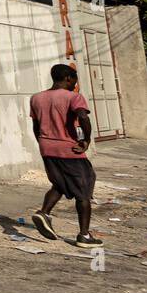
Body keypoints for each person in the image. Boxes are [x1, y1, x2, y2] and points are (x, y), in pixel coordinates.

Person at [29, 63, 101, 247]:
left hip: (47, 147)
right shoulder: (74, 97)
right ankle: (84, 235)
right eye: (74, 79)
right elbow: (83, 117)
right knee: (83, 188)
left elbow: (36, 126)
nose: (75, 83)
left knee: (61, 183)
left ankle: (44, 212)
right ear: (68, 78)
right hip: (69, 149)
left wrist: (44, 143)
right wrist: (86, 140)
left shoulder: (36, 98)